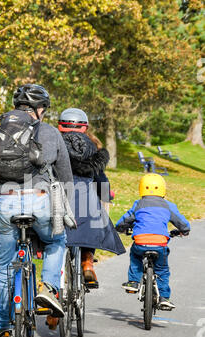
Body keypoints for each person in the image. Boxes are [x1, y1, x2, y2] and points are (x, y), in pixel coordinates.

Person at [0, 84, 74, 337]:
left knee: (4, 268)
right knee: (57, 241)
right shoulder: (51, 132)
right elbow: (65, 176)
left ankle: (5, 329)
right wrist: (66, 210)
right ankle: (49, 288)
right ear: (40, 109)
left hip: (4, 202)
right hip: (41, 201)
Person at [58, 108, 126, 285]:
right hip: (84, 199)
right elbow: (101, 179)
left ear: (60, 126)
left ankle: (52, 281)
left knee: (54, 239)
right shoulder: (92, 146)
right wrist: (105, 201)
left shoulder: (53, 143)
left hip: (58, 198)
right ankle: (87, 262)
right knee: (94, 221)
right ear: (85, 128)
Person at [115, 173, 190, 309]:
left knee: (135, 256)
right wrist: (184, 231)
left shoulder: (138, 204)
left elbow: (125, 220)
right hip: (160, 243)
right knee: (162, 270)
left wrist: (121, 228)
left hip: (140, 241)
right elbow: (183, 223)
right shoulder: (168, 205)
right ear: (163, 189)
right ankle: (164, 297)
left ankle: (133, 282)